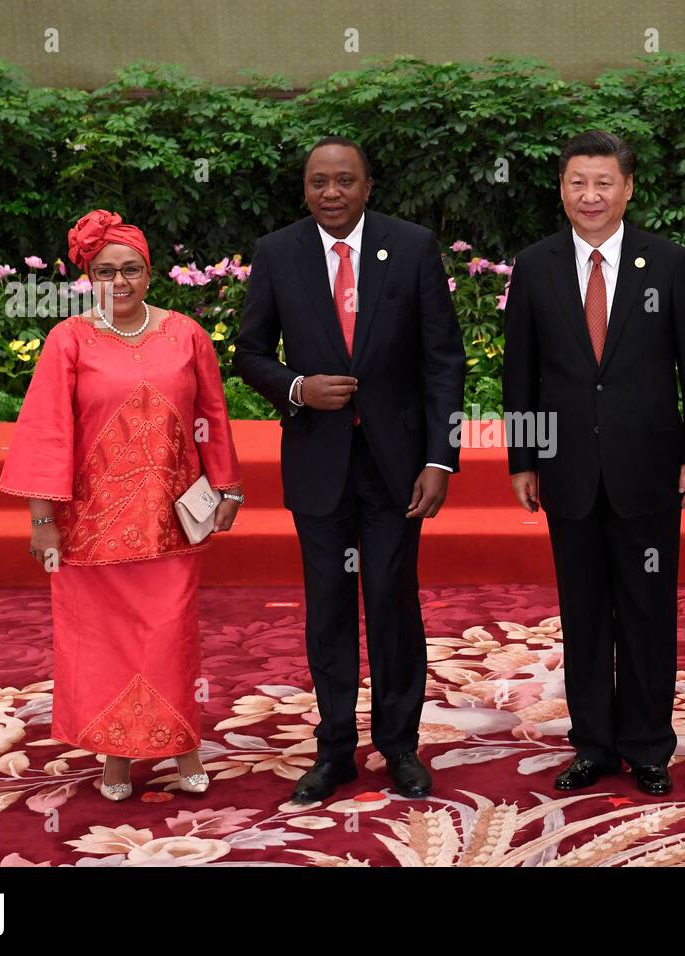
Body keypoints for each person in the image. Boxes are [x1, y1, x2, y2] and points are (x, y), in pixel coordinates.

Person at [233, 137, 466, 803]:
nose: (330, 193)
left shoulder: (413, 246)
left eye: (344, 181)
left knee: (393, 605)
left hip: (397, 470)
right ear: (304, 189)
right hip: (318, 466)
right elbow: (250, 352)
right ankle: (333, 749)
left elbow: (443, 360)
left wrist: (438, 458)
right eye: (317, 182)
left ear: (368, 186)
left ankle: (400, 748)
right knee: (329, 610)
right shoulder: (278, 253)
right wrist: (298, 387)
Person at [0, 209, 244, 801]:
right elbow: (47, 431)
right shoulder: (68, 340)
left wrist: (227, 485)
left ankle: (182, 745)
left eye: (131, 268)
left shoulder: (186, 334)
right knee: (106, 641)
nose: (121, 281)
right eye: (106, 271)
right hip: (91, 524)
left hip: (172, 517)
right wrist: (42, 520)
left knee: (170, 634)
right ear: (90, 277)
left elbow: (212, 415)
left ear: (149, 271)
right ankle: (115, 752)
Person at [502, 130, 685, 796]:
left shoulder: (669, 263)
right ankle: (593, 743)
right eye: (576, 182)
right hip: (567, 469)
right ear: (561, 189)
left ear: (627, 188)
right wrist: (522, 457)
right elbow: (520, 371)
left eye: (603, 183)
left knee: (648, 610)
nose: (589, 195)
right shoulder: (534, 267)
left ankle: (649, 744)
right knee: (585, 613)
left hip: (649, 468)